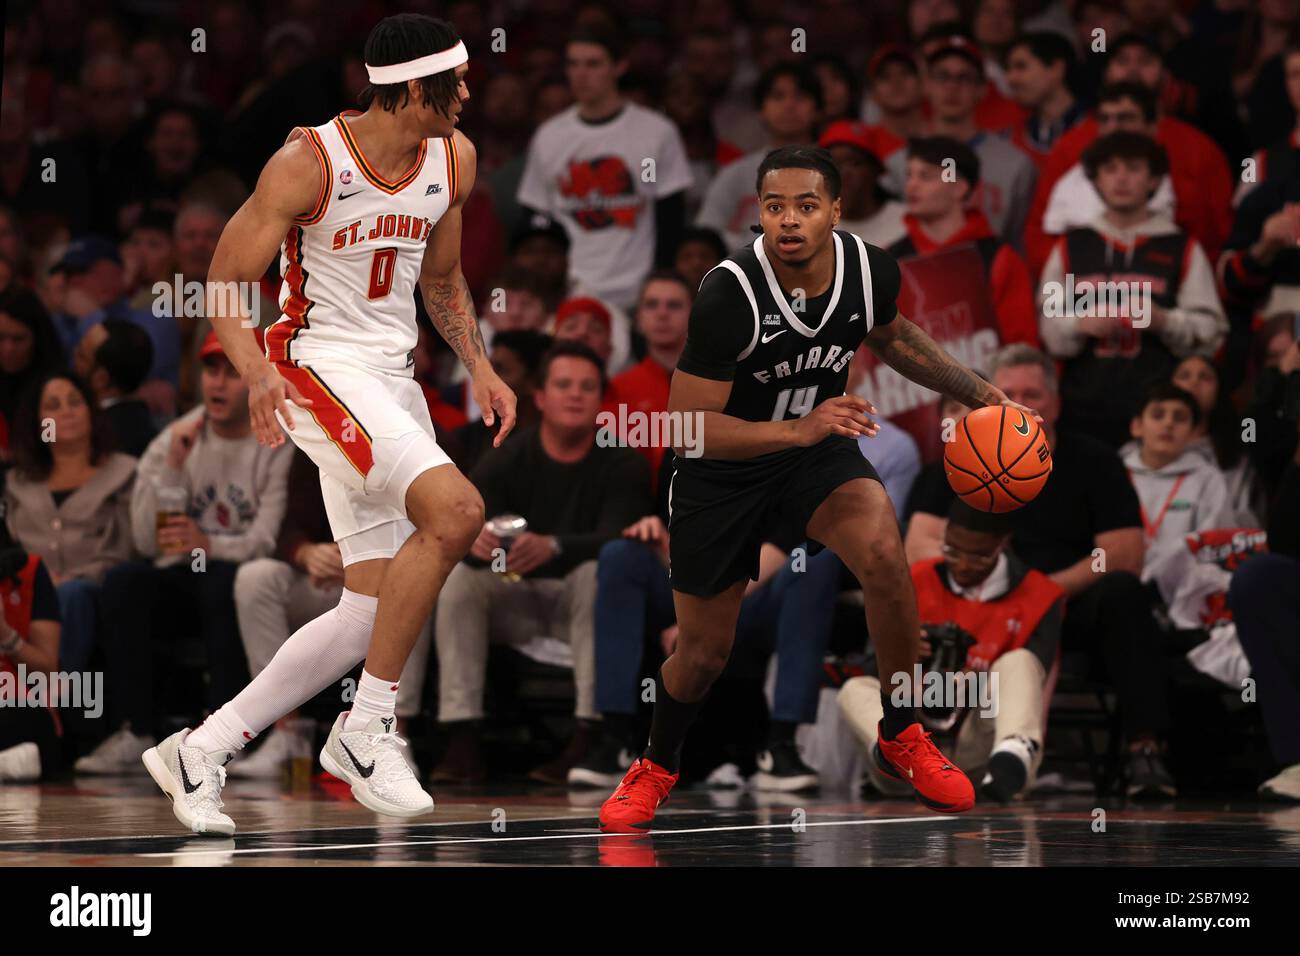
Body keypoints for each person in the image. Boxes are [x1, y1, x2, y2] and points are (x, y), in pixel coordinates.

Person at [141, 14, 517, 836]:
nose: (466, 93)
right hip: (316, 365)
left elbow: (445, 279)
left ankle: (198, 751)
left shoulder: (454, 156)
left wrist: (481, 364)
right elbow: (224, 280)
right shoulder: (308, 161)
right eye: (452, 83)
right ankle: (366, 728)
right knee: (455, 513)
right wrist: (256, 374)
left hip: (391, 376)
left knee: (365, 608)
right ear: (410, 89)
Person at [597, 144, 1042, 833]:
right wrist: (799, 429)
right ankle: (655, 764)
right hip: (721, 470)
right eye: (774, 206)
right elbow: (686, 429)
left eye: (807, 205)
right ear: (759, 214)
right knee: (703, 654)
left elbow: (893, 338)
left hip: (813, 454)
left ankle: (902, 730)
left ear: (836, 210)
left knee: (885, 557)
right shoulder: (728, 294)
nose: (789, 220)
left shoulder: (869, 269)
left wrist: (985, 395)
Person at [903, 344, 1180, 798]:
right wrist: (991, 588)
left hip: (1068, 598)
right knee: (913, 600)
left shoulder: (1094, 461)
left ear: (1055, 402)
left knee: (1126, 594)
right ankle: (918, 752)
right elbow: (920, 549)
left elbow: (1122, 552)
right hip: (976, 607)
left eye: (1032, 393)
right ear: (985, 397)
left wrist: (1040, 593)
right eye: (1007, 392)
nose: (1020, 402)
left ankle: (1145, 749)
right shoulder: (956, 457)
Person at [432, 342, 651, 784]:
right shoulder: (513, 451)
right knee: (459, 582)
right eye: (564, 385)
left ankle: (589, 736)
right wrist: (475, 537)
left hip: (578, 602)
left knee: (599, 573)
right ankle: (461, 737)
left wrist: (554, 546)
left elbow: (619, 539)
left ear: (601, 399)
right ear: (541, 397)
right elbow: (466, 508)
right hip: (518, 596)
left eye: (587, 387)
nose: (575, 395)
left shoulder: (623, 459)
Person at [80, 330, 291, 776]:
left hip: (240, 580)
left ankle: (220, 737)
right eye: (210, 370)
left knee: (222, 579)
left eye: (231, 373)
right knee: (124, 582)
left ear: (256, 377)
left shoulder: (276, 439)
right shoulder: (175, 439)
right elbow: (145, 539)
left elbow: (269, 539)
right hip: (182, 579)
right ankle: (136, 730)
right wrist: (174, 469)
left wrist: (211, 545)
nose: (217, 383)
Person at [839, 500, 1065, 803]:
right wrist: (900, 654)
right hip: (911, 742)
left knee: (1021, 662)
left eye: (978, 557)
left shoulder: (1041, 594)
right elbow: (871, 668)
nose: (962, 566)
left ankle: (1012, 757)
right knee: (855, 688)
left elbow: (1032, 681)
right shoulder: (914, 579)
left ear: (1003, 544)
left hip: (976, 745)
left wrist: (969, 680)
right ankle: (889, 753)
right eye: (952, 551)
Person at [1039, 131, 1226, 449]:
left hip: (1160, 414)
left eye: (1133, 168)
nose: (1121, 179)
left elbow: (1212, 331)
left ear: (1154, 180)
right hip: (1081, 407)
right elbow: (1048, 326)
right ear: (1095, 180)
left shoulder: (1181, 246)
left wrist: (1164, 321)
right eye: (1110, 170)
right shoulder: (1071, 246)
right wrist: (1078, 324)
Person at [516, 22, 692, 313]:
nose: (581, 75)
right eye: (573, 64)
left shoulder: (657, 132)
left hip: (637, 294)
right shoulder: (549, 136)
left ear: (619, 66)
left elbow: (670, 220)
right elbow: (537, 225)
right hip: (570, 292)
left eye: (593, 64)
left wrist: (656, 287)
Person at [3, 372, 136, 673]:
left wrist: (71, 578)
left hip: (94, 590)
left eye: (74, 402)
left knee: (71, 594)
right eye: (53, 405)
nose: (66, 411)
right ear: (37, 421)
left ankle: (60, 696)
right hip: (25, 596)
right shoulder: (16, 483)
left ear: (91, 411)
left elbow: (128, 548)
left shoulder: (125, 472)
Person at [880, 35, 1038, 251]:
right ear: (926, 85)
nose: (952, 88)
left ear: (982, 89)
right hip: (917, 273)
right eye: (942, 77)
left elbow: (1018, 243)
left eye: (964, 78)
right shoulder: (898, 164)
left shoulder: (1016, 164)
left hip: (988, 275)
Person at [888, 136, 1038, 348]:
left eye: (926, 176)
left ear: (959, 188)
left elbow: (1021, 344)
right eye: (909, 175)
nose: (911, 185)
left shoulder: (1000, 259)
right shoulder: (888, 260)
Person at [696, 63, 822, 253]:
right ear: (761, 110)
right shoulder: (737, 173)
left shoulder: (836, 170)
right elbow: (706, 235)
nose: (789, 105)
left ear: (818, 110)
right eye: (778, 96)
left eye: (800, 97)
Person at [1121, 382, 1235, 579]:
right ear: (1137, 426)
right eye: (1158, 415)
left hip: (1184, 582)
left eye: (1180, 418)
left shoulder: (1208, 478)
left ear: (1193, 433)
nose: (1168, 424)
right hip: (1118, 579)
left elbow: (1216, 544)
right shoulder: (1116, 473)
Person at [0, 524, 62, 783]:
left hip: (16, 702)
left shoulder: (28, 569)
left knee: (26, 726)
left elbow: (48, 672)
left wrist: (5, 635)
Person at [71, 318, 159, 457]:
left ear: (100, 379)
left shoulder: (102, 437)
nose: (73, 355)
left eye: (81, 356)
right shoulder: (141, 419)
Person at [817, 121, 907, 249]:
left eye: (855, 163)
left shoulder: (906, 221)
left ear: (875, 170)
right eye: (835, 165)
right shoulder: (812, 226)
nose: (844, 173)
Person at [1004, 31, 1086, 168]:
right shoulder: (1009, 137)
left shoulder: (1099, 130)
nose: (1010, 79)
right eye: (1008, 69)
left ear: (1056, 69)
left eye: (1021, 67)